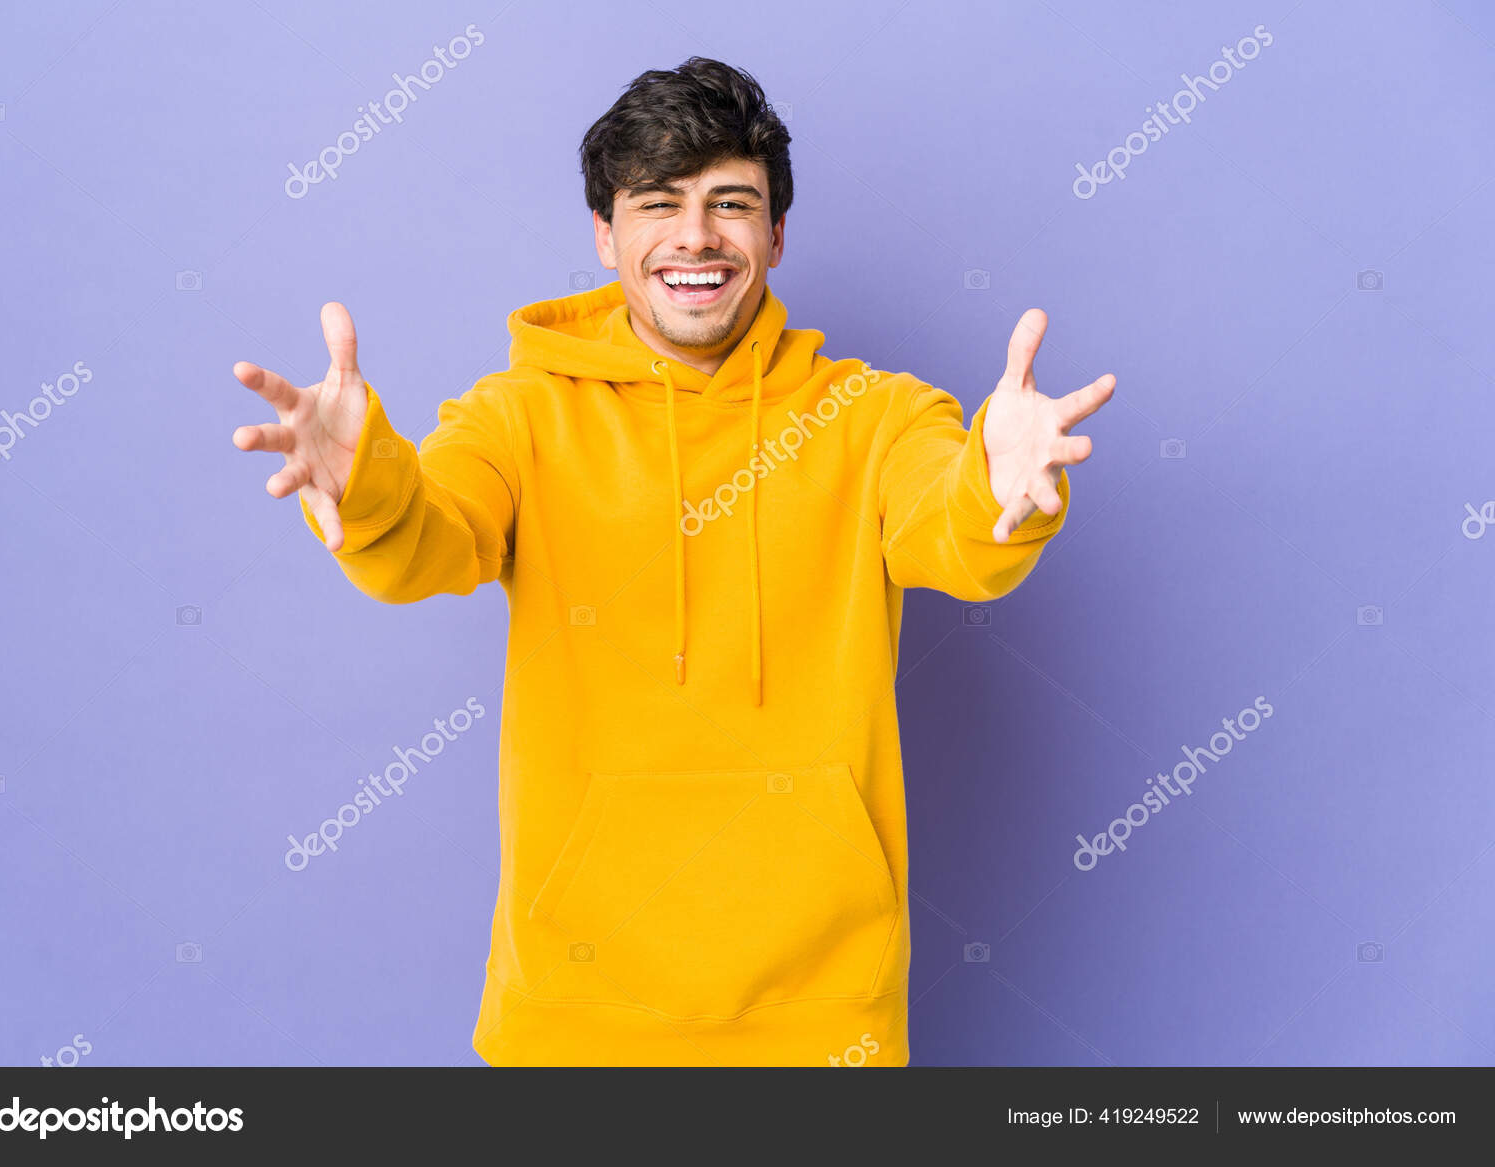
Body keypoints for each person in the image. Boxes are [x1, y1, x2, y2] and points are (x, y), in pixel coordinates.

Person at [231, 57, 1113, 1066]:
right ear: (606, 235)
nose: (695, 235)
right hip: (572, 1015)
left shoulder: (875, 415)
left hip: (825, 1018)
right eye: (659, 203)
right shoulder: (518, 417)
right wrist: (364, 487)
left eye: (729, 203)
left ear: (775, 235)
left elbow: (952, 538)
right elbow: (429, 543)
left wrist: (1002, 492)